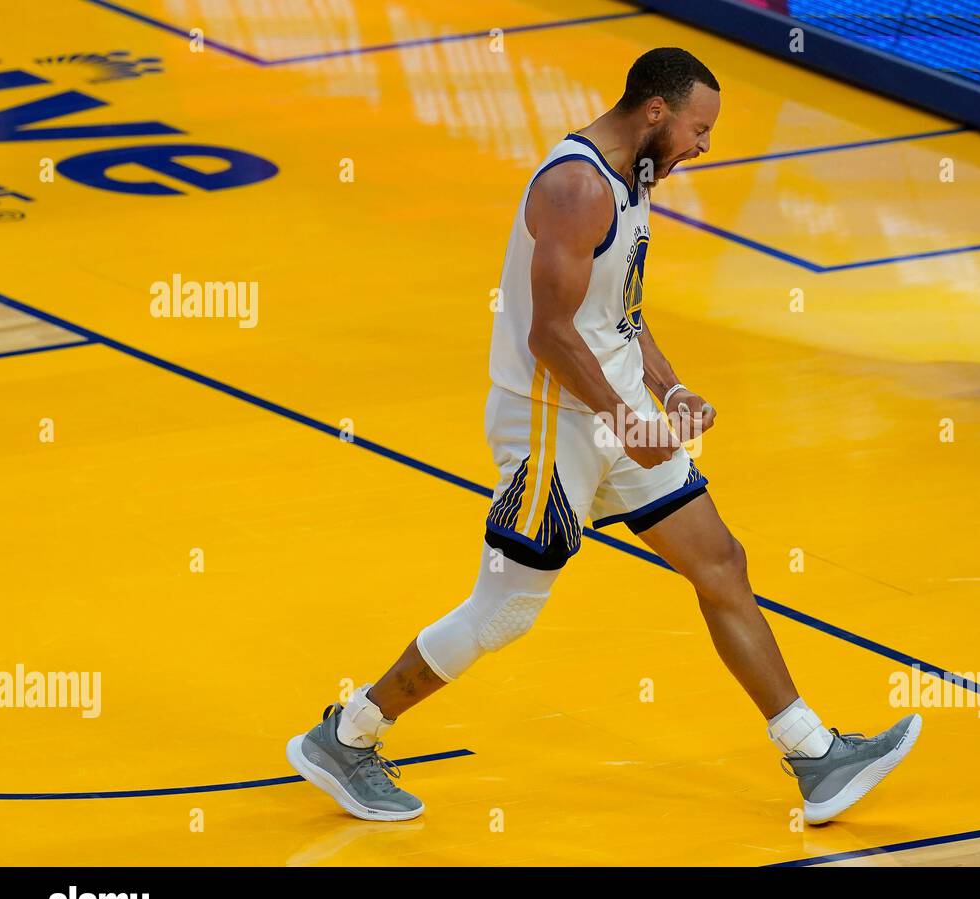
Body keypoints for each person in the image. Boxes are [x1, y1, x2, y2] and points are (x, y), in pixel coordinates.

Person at [286, 48, 921, 827]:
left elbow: (618, 308)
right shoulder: (576, 186)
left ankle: (814, 756)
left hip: (611, 414)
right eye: (699, 128)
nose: (703, 146)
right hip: (553, 423)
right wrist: (628, 421)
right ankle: (349, 736)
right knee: (506, 612)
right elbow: (551, 332)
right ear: (655, 111)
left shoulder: (636, 179)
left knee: (720, 562)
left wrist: (670, 387)